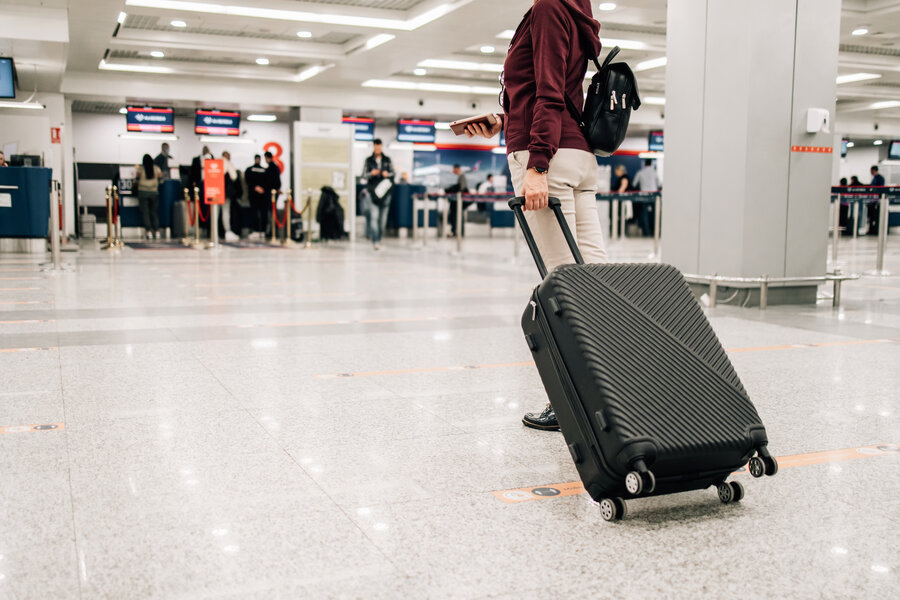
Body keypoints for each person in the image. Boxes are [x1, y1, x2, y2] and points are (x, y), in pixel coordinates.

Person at [463, 0, 607, 431]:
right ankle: (612, 390)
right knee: (593, 278)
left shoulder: (547, 7)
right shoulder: (574, 9)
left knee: (562, 287)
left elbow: (547, 92)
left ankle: (576, 404)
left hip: (548, 157)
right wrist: (504, 121)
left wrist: (537, 165)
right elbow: (559, 92)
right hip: (578, 154)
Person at [362, 138, 395, 250]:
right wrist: (372, 173)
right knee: (374, 218)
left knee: (382, 220)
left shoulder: (387, 160)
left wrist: (387, 174)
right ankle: (375, 240)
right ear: (373, 147)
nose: (377, 149)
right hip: (373, 193)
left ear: (381, 147)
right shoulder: (369, 160)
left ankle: (379, 239)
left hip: (385, 193)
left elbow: (393, 173)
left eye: (379, 146)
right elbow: (364, 175)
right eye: (376, 147)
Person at [135, 153, 163, 239]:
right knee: (154, 212)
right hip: (154, 192)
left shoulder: (140, 169)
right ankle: (157, 231)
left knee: (145, 212)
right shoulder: (157, 168)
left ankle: (149, 231)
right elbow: (161, 180)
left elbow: (137, 180)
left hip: (143, 192)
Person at [632, 159, 661, 236]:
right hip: (654, 195)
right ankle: (655, 231)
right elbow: (659, 185)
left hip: (644, 196)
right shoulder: (655, 173)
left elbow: (634, 184)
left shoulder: (640, 172)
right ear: (651, 164)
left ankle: (646, 232)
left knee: (644, 214)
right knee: (655, 214)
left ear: (645, 164)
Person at [245, 155, 269, 237]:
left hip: (259, 195)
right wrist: (257, 187)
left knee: (261, 213)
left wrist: (258, 188)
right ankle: (257, 230)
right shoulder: (261, 170)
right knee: (255, 213)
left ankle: (262, 230)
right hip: (256, 195)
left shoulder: (261, 170)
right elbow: (248, 181)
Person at [446, 164, 470, 237]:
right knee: (454, 214)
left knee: (455, 215)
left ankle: (456, 232)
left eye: (454, 169)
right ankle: (455, 232)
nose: (453, 171)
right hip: (459, 199)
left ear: (457, 169)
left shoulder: (462, 176)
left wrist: (451, 190)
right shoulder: (461, 176)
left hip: (461, 200)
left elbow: (461, 188)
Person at [221, 150, 241, 240]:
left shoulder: (215, 163)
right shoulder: (228, 163)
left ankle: (214, 232)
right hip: (225, 193)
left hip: (214, 192)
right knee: (226, 212)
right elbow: (234, 176)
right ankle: (227, 231)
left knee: (215, 212)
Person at [867, 165, 886, 235]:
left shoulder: (880, 178)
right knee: (871, 216)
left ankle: (876, 230)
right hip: (872, 200)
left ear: (874, 170)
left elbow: (880, 189)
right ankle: (871, 230)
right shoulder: (875, 178)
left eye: (871, 170)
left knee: (876, 216)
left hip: (877, 200)